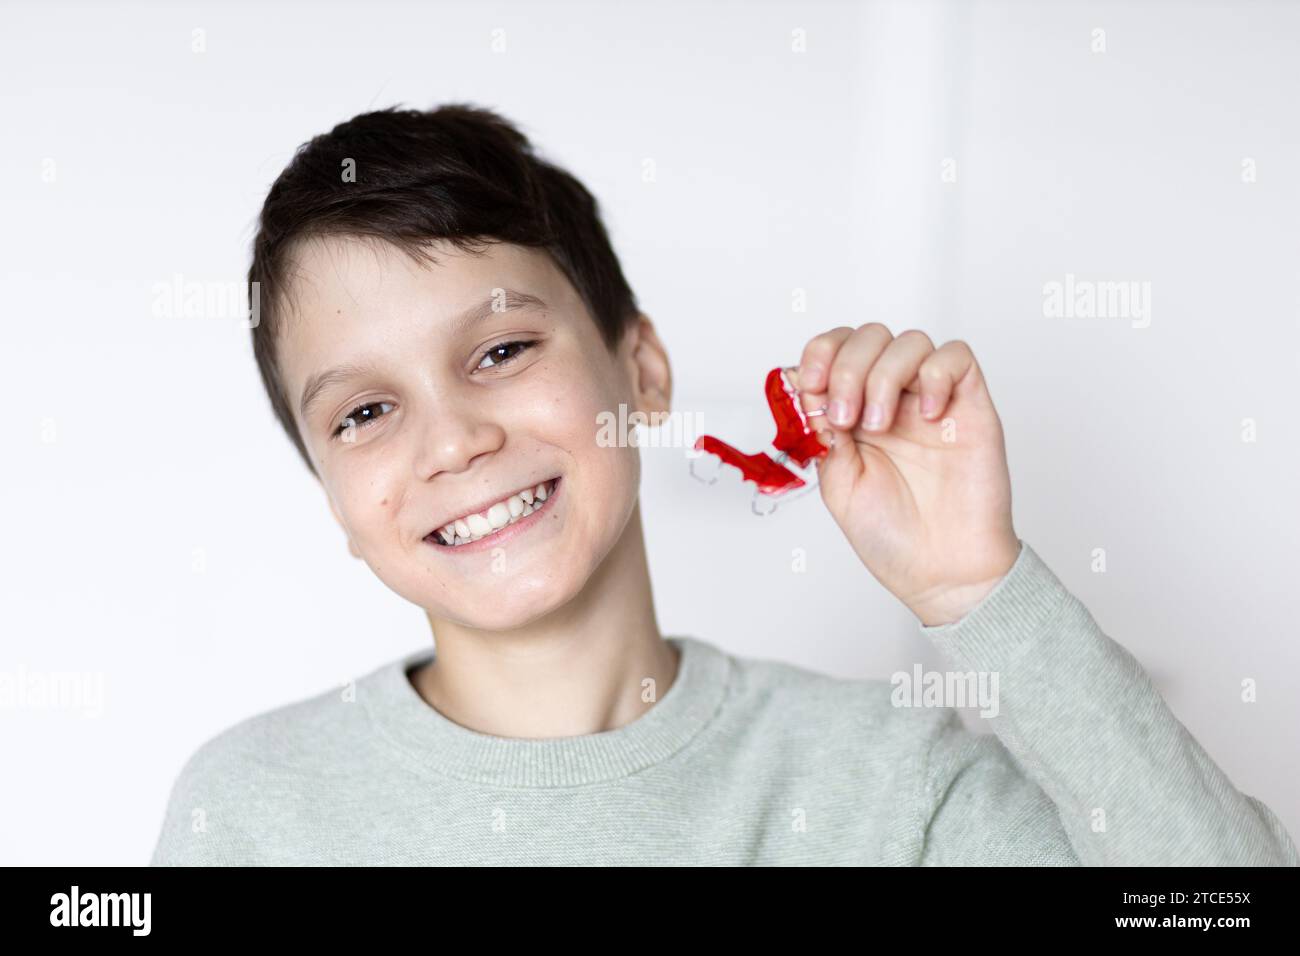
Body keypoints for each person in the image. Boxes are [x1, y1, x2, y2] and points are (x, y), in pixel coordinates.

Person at [150, 104, 1297, 865]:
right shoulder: (252, 811)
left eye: (501, 351)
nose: (449, 441)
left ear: (640, 371)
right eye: (363, 412)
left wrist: (977, 588)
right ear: (333, 496)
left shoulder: (889, 786)